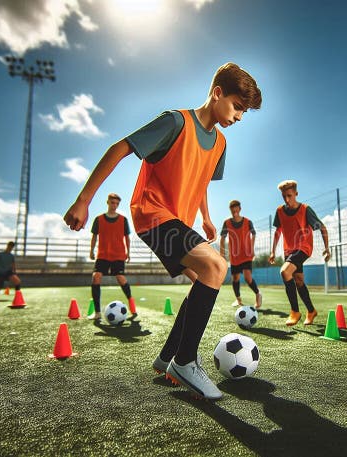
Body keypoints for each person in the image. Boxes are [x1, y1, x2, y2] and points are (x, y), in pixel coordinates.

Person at [63, 62, 262, 400]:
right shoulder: (175, 122)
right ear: (217, 93)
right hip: (151, 213)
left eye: (245, 111)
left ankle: (167, 357)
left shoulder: (220, 144)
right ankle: (185, 362)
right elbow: (120, 148)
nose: (240, 116)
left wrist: (207, 218)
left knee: (204, 278)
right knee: (216, 267)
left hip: (178, 222)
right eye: (237, 106)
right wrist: (84, 200)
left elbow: (199, 184)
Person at [268, 180, 331, 326]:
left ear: (296, 193)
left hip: (303, 248)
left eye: (290, 195)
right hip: (288, 250)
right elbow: (278, 231)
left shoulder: (305, 210)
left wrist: (327, 248)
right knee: (299, 281)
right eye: (284, 196)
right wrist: (272, 251)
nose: (287, 199)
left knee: (284, 272)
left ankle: (295, 311)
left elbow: (322, 228)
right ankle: (311, 310)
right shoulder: (279, 211)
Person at [89, 193, 135, 320]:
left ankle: (132, 304)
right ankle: (97, 313)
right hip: (103, 254)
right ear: (107, 202)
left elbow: (127, 238)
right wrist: (91, 251)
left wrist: (128, 253)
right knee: (96, 277)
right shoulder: (98, 219)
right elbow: (94, 236)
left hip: (119, 254)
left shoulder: (123, 220)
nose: (114, 205)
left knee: (120, 278)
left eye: (117, 203)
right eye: (112, 202)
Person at [219, 200, 262, 309]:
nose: (234, 211)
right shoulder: (227, 223)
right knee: (235, 278)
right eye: (232, 210)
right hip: (234, 255)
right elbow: (222, 238)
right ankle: (238, 300)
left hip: (246, 254)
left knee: (248, 277)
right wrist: (222, 253)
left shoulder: (248, 222)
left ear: (240, 209)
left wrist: (252, 248)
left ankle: (258, 294)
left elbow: (254, 234)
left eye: (236, 209)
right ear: (230, 210)